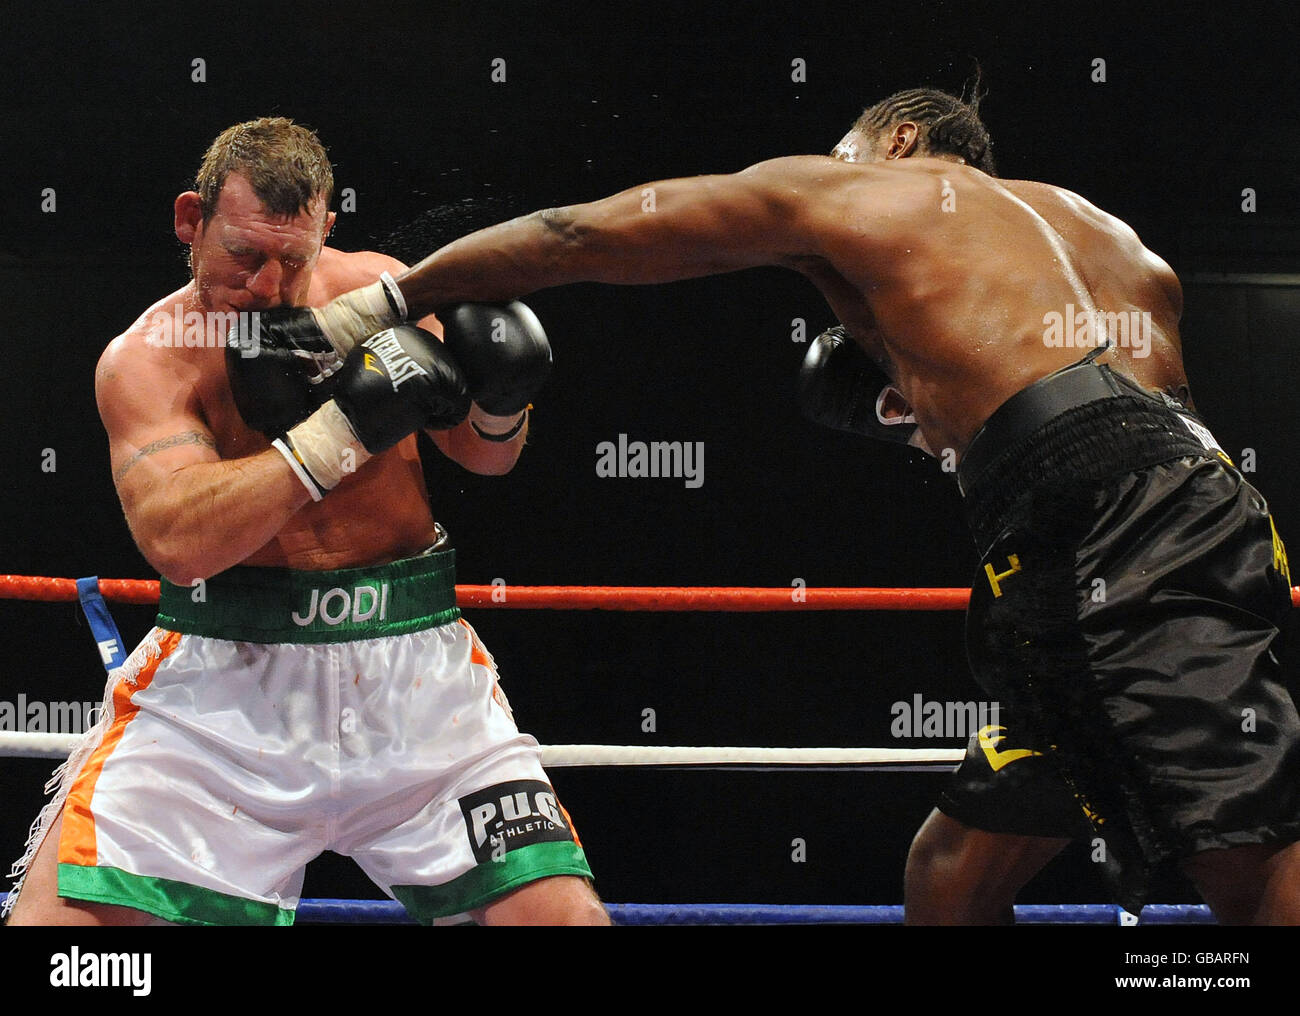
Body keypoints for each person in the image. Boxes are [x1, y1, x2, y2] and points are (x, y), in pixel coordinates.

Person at [254, 87, 1300, 923]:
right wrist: (925, 411)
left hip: (1099, 534)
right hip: (1180, 511)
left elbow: (580, 233)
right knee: (949, 870)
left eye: (840, 147)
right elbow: (1124, 419)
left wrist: (388, 297)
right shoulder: (1103, 235)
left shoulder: (864, 191)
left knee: (1238, 848)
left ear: (895, 139)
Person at [3, 117, 607, 926]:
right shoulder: (151, 356)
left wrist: (503, 402)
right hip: (222, 696)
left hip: (417, 681)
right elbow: (180, 543)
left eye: (293, 258)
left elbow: (487, 456)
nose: (266, 287)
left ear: (327, 227)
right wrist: (341, 432)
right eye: (243, 255)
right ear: (192, 220)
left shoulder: (384, 293)